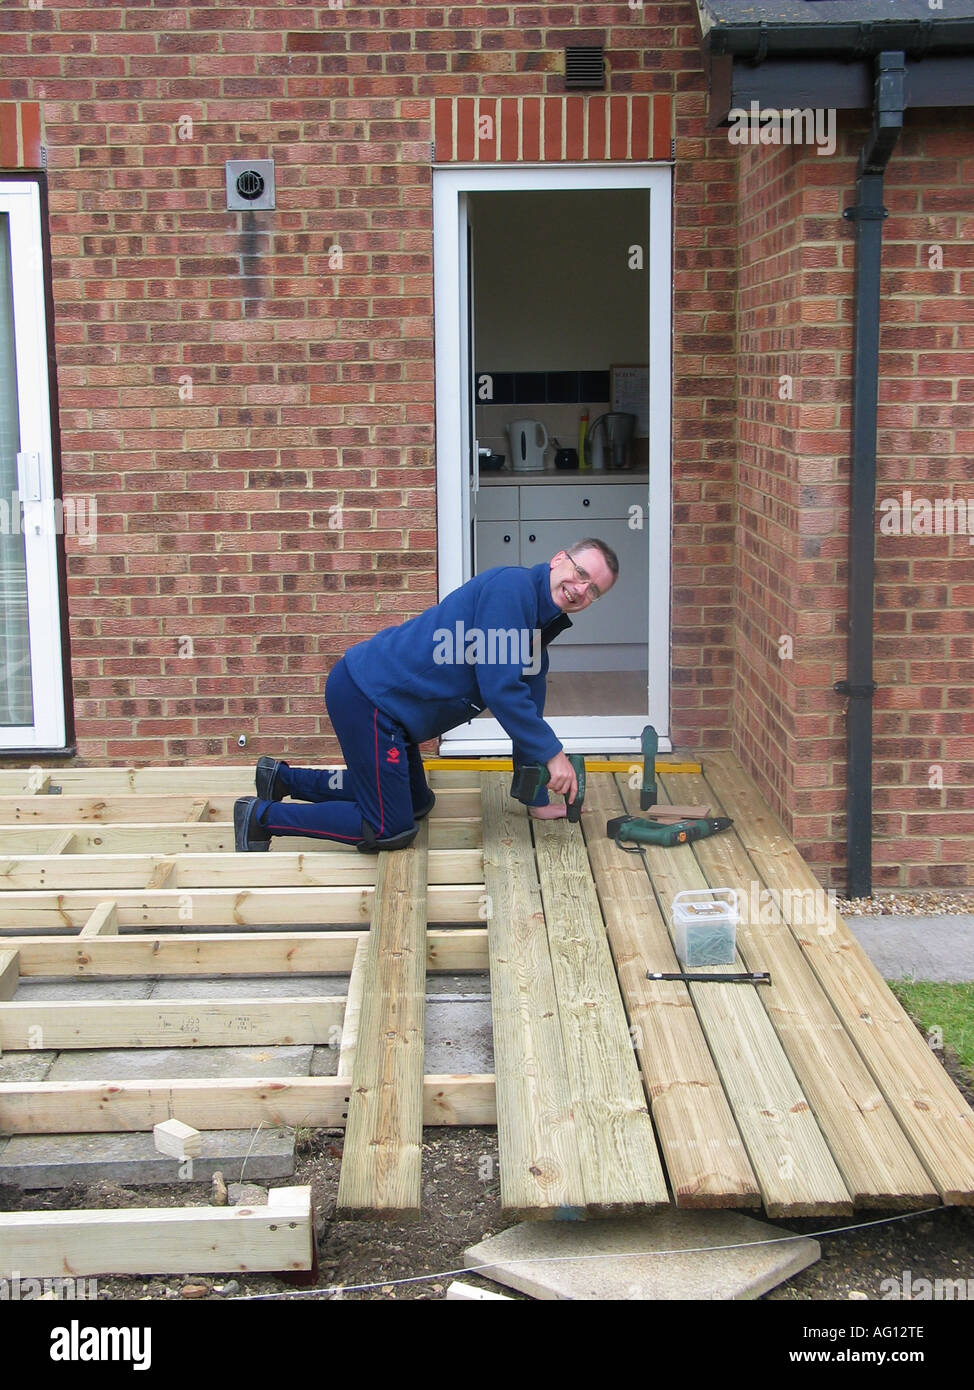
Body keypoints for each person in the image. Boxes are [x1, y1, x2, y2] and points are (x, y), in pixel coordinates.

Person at [233, 539, 619, 853]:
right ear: (558, 559)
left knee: (417, 803)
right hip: (368, 697)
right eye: (581, 573)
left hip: (393, 714)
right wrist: (554, 755)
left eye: (594, 591)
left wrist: (534, 798)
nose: (581, 589)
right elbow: (499, 687)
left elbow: (527, 710)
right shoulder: (512, 590)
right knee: (388, 827)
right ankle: (260, 816)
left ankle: (281, 780)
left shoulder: (536, 630)